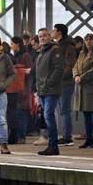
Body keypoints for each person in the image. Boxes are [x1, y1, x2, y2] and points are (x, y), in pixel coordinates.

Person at [33, 25, 66, 157]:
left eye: (45, 35)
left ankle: (53, 146)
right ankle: (51, 145)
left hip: (51, 90)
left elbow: (58, 69)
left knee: (48, 116)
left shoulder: (55, 50)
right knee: (47, 117)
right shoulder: (42, 51)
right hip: (42, 90)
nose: (42, 38)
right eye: (40, 36)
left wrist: (48, 83)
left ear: (50, 36)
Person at [58, 34, 78, 145]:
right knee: (63, 110)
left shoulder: (68, 46)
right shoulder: (61, 45)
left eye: (54, 30)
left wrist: (59, 76)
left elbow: (70, 65)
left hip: (66, 83)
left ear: (59, 32)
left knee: (65, 110)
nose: (52, 32)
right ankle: (66, 135)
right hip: (63, 83)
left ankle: (67, 136)